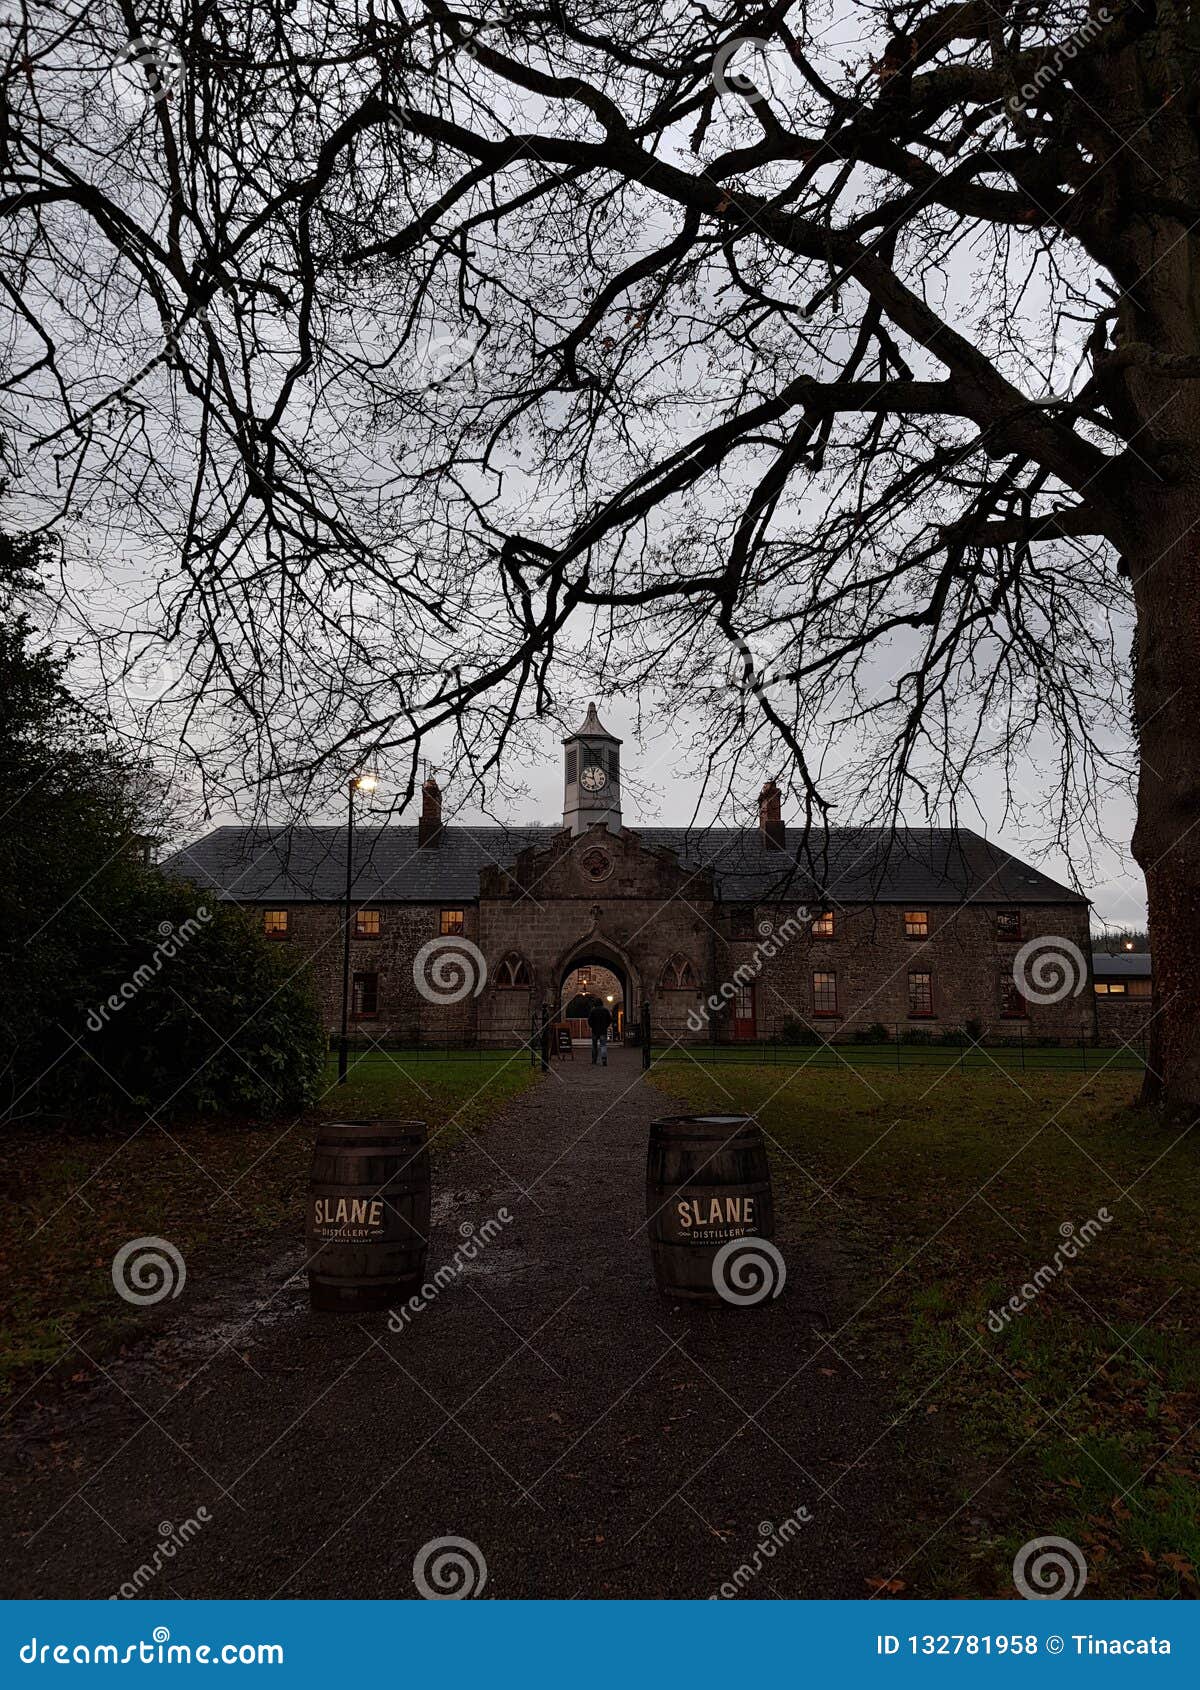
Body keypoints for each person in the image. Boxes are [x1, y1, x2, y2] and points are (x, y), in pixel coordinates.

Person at [587, 998, 613, 1066]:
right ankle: (604, 1059)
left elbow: (589, 1021)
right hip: (603, 1030)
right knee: (603, 1045)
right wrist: (606, 1026)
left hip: (595, 1031)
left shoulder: (593, 1011)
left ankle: (594, 1060)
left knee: (594, 1046)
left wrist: (592, 1026)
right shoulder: (605, 1010)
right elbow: (610, 1020)